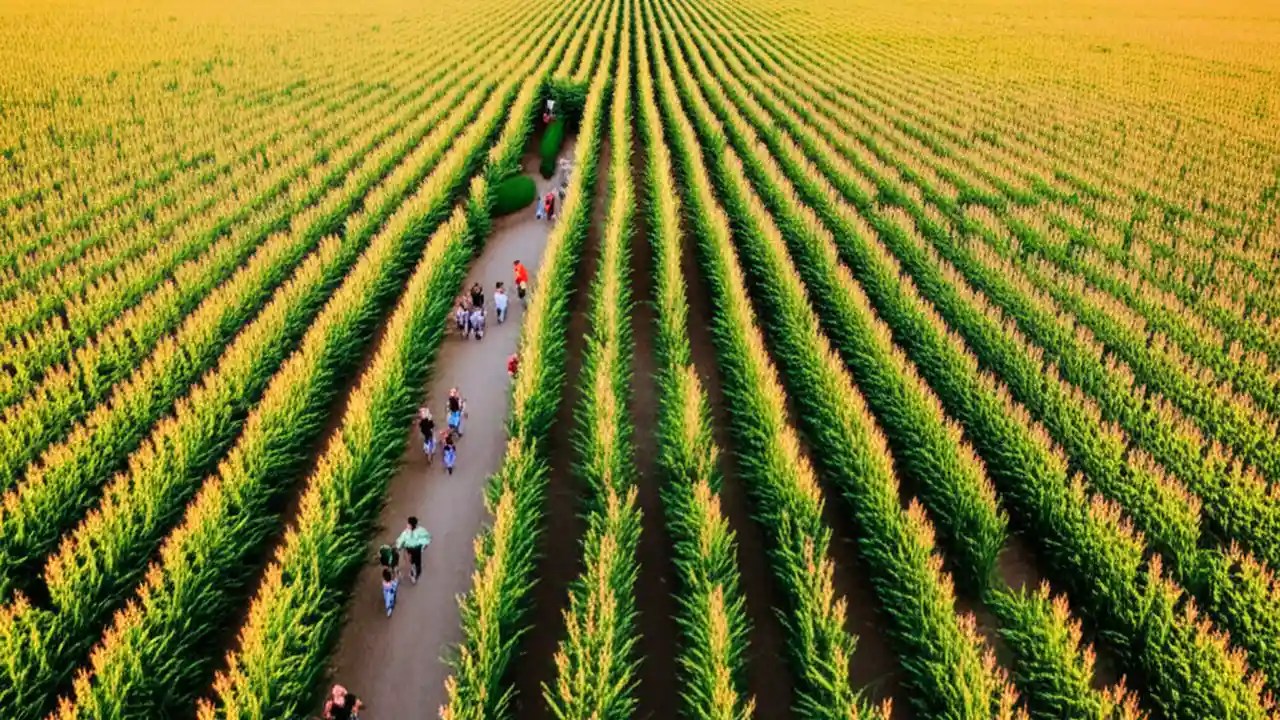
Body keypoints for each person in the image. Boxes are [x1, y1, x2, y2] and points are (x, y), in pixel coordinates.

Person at [396, 516, 432, 584]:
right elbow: (401, 540)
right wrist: (398, 547)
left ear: (412, 525)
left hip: (417, 550)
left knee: (418, 563)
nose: (407, 525)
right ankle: (413, 574)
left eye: (408, 524)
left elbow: (427, 537)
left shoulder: (420, 531)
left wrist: (424, 546)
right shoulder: (406, 532)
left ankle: (417, 574)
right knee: (411, 562)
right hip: (409, 550)